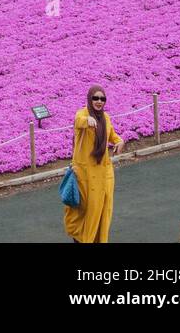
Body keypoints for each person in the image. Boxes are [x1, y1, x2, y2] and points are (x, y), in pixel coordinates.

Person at [65, 85, 123, 243]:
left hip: (104, 172)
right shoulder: (82, 113)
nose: (99, 101)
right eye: (95, 98)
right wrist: (87, 120)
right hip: (85, 173)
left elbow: (111, 135)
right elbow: (77, 121)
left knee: (103, 209)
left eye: (102, 98)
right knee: (85, 209)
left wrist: (119, 141)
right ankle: (83, 239)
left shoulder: (106, 117)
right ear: (90, 99)